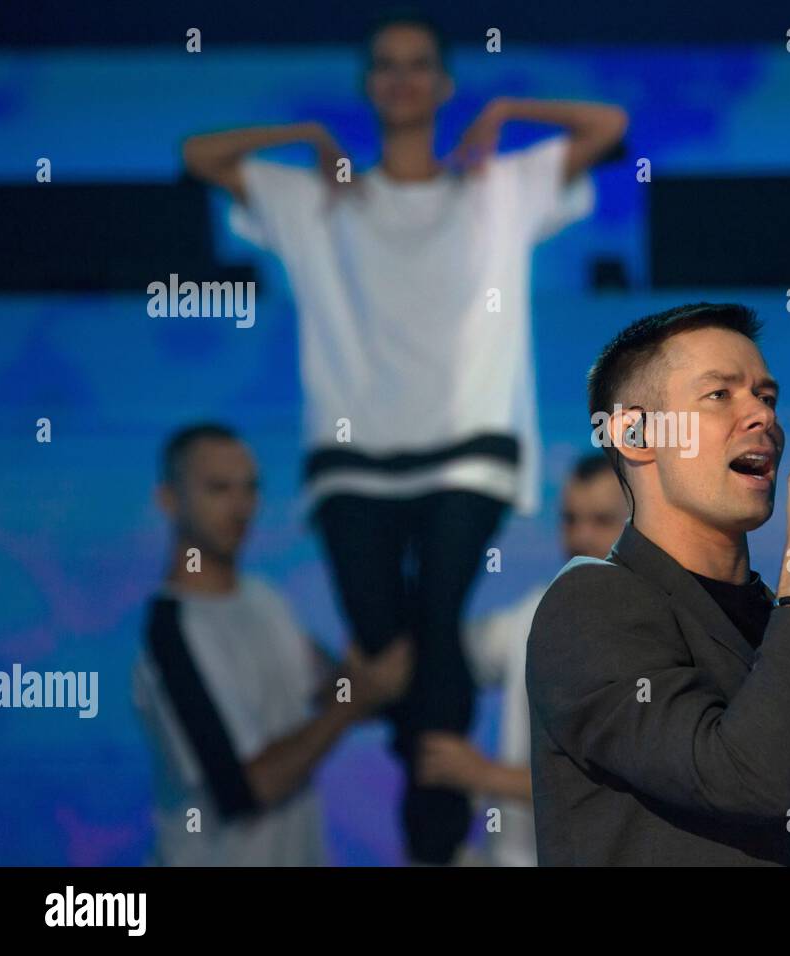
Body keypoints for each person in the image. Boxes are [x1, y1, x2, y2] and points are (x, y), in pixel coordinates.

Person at [179, 14, 628, 863]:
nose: (402, 77)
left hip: (469, 450)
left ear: (446, 84)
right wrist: (305, 134)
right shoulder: (317, 195)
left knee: (434, 619)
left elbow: (609, 129)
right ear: (368, 83)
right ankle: (437, 811)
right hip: (351, 461)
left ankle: (432, 833)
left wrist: (508, 116)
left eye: (420, 64)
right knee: (396, 651)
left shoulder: (496, 184)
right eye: (385, 65)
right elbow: (199, 154)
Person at [527, 302, 790, 866]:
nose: (761, 416)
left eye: (766, 396)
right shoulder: (591, 604)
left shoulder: (773, 619)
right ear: (636, 435)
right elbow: (745, 779)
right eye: (720, 395)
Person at [133, 423, 412, 866]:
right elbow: (246, 788)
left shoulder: (265, 599)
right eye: (218, 489)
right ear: (168, 500)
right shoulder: (173, 630)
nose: (240, 506)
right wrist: (354, 701)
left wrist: (379, 650)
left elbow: (335, 688)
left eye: (250, 489)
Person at [415, 453, 630, 866]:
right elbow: (444, 654)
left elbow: (615, 787)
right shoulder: (533, 613)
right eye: (570, 519)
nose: (580, 536)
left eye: (601, 521)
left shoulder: (655, 635)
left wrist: (481, 775)